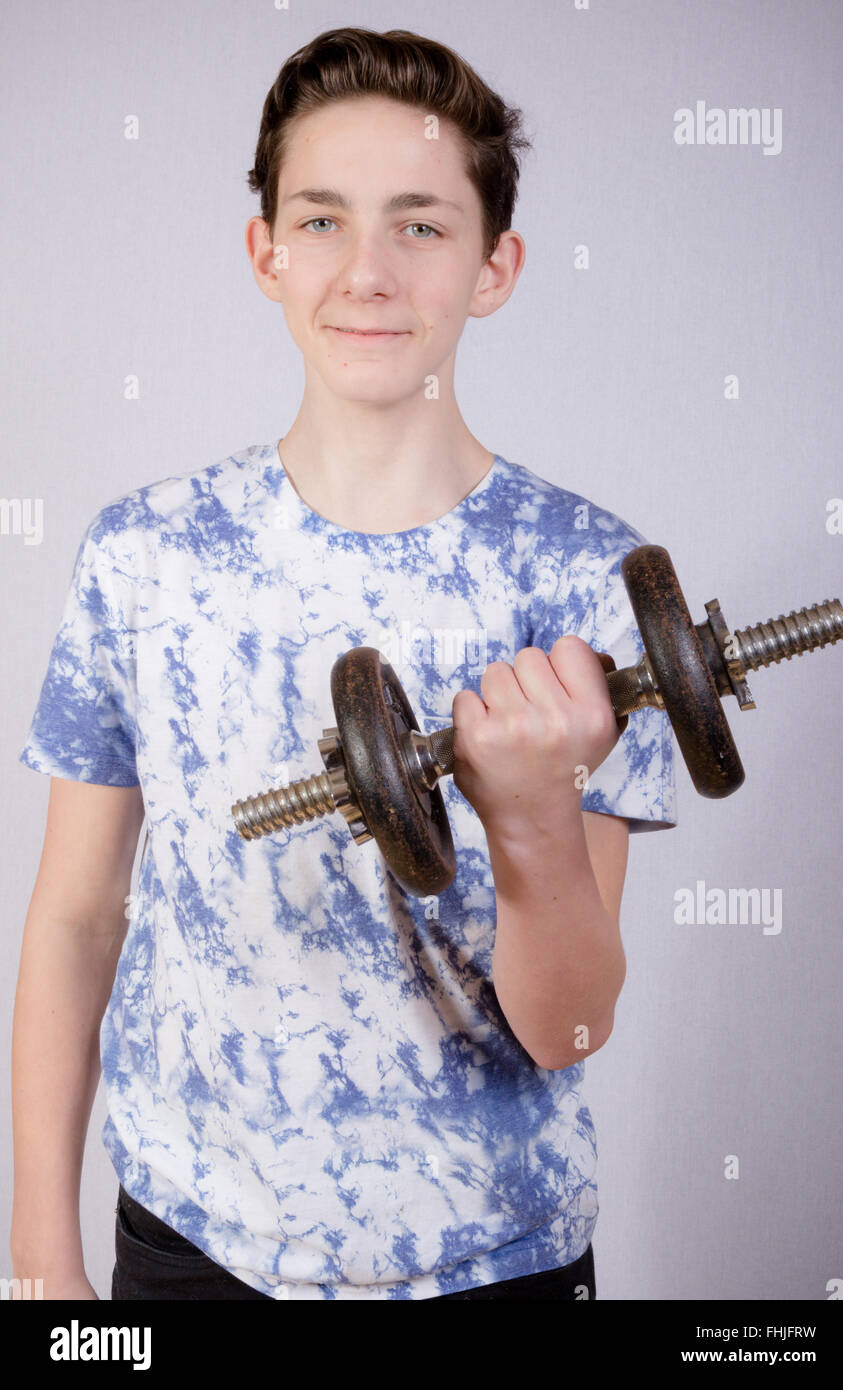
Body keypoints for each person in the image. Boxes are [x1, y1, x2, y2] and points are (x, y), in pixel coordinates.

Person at [10, 26, 677, 1302]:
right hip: (188, 1252)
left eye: (420, 226)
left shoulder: (584, 581)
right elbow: (78, 916)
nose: (365, 271)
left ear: (494, 266)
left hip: (495, 1262)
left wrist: (532, 819)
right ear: (263, 252)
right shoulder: (147, 556)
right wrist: (42, 1250)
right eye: (320, 221)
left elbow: (569, 1029)